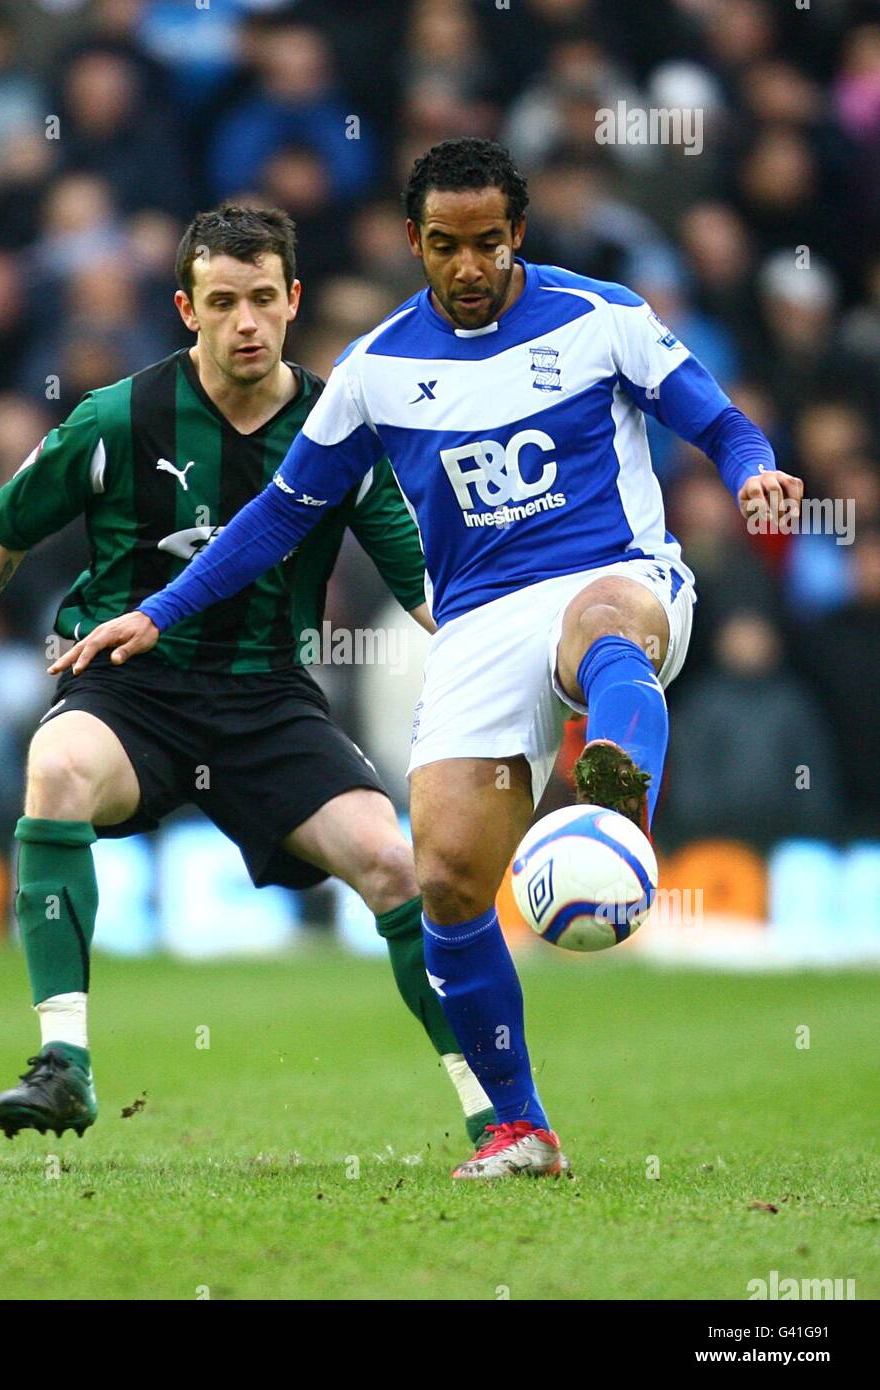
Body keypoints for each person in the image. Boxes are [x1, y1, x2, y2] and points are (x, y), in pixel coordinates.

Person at [54, 141, 803, 1181]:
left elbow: (713, 422)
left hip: (614, 571)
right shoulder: (372, 371)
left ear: (516, 237)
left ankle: (613, 809)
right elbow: (279, 515)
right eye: (445, 246)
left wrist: (756, 470)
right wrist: (162, 606)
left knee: (603, 628)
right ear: (413, 242)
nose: (467, 266)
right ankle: (520, 1127)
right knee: (446, 882)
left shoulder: (603, 318)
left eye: (487, 244)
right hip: (477, 623)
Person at [0, 205, 495, 1147]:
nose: (245, 322)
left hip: (269, 702)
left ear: (293, 301)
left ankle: (494, 1111)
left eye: (262, 299)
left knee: (393, 863)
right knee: (56, 772)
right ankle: (64, 1065)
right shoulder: (117, 418)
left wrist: (518, 666)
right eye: (222, 302)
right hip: (130, 689)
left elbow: (426, 591)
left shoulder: (342, 434)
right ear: (186, 308)